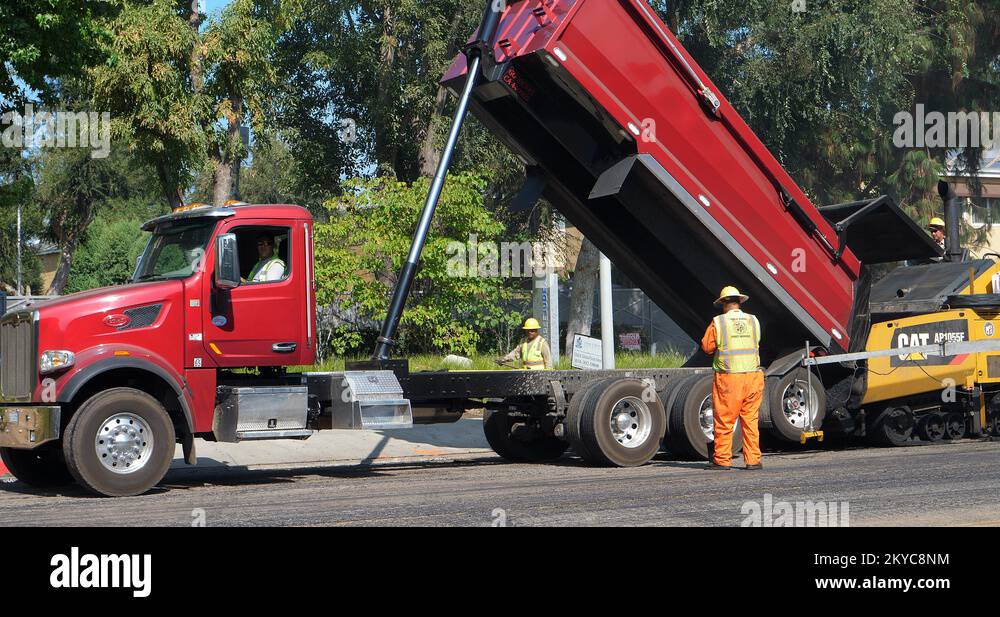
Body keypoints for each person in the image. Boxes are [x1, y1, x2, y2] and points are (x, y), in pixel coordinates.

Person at [700, 286, 764, 471]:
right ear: (739, 302)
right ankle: (753, 460)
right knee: (750, 420)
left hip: (730, 379)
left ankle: (722, 460)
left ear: (723, 304)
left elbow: (707, 347)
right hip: (753, 377)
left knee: (725, 420)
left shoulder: (719, 322)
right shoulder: (753, 320)